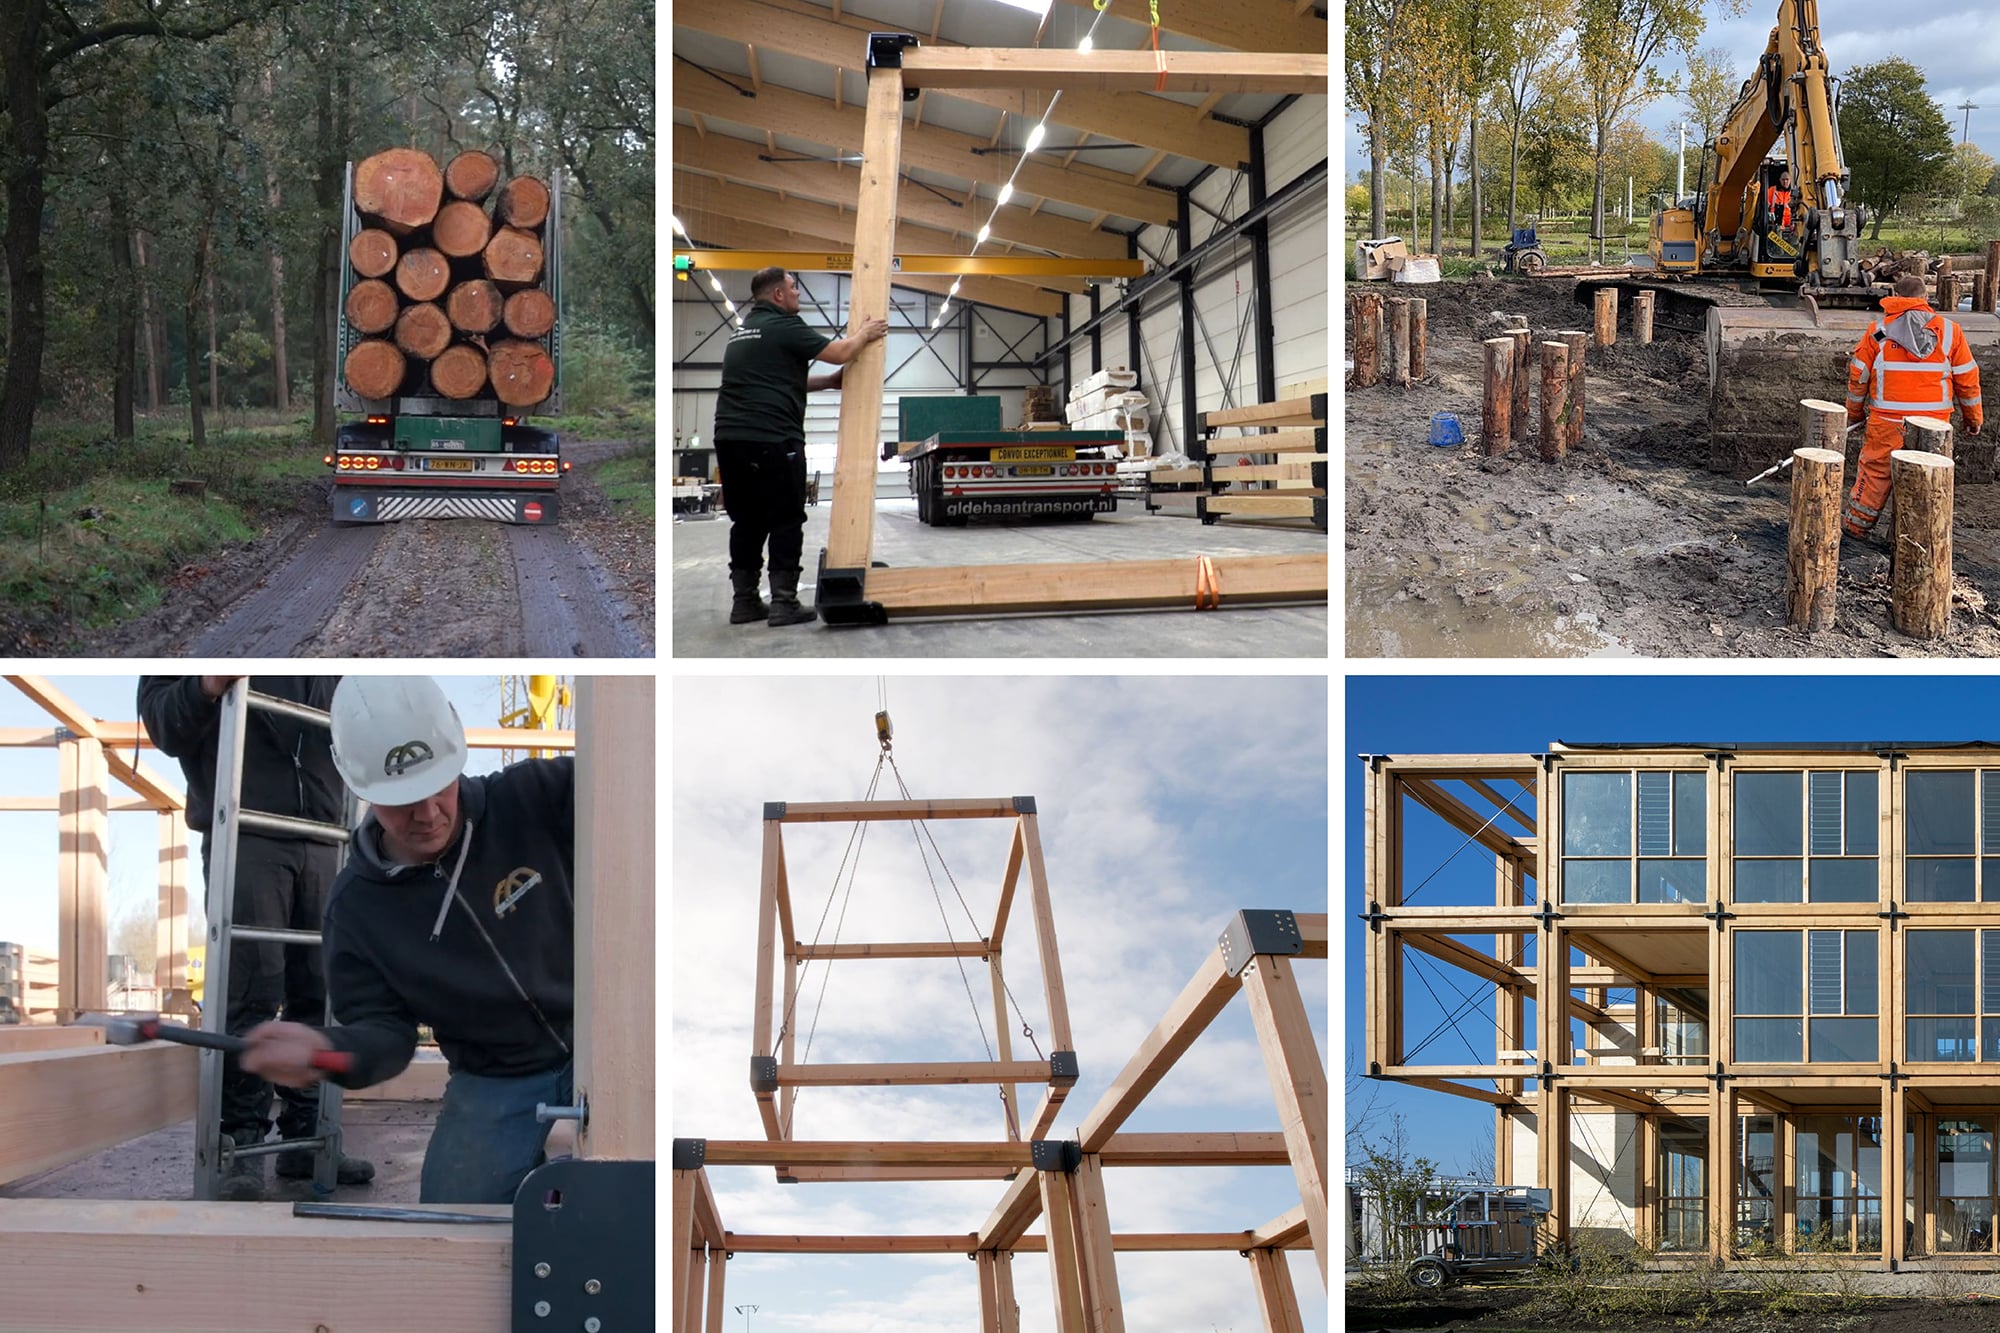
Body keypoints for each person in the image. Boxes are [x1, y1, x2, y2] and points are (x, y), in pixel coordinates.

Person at [241, 676, 577, 1205]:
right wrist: (328, 1051)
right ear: (357, 785)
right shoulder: (355, 911)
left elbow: (634, 772)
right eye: (401, 802)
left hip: (603, 1043)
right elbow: (386, 1036)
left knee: (631, 1196)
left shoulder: (537, 798)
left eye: (437, 788)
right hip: (496, 1075)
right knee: (450, 1216)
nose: (427, 815)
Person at [137, 675, 376, 1200]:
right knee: (250, 992)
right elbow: (162, 723)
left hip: (324, 832)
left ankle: (307, 1137)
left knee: (321, 992)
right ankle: (237, 1143)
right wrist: (207, 683)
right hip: (246, 829)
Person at [712, 265, 890, 627]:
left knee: (745, 522)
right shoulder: (785, 326)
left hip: (730, 440)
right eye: (793, 288)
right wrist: (865, 334)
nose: (798, 294)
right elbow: (841, 352)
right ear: (778, 294)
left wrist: (828, 383)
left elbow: (777, 382)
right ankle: (784, 603)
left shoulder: (743, 331)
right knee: (786, 519)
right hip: (773, 438)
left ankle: (744, 602)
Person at [1843, 273, 1984, 538]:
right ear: (1925, 298)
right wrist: (1973, 419)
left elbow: (1858, 376)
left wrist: (1853, 414)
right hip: (1934, 426)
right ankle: (1916, 537)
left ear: (1895, 296)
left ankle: (1855, 526)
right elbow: (1968, 379)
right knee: (1927, 482)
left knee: (1875, 473)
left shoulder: (1878, 331)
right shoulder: (1950, 331)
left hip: (1888, 422)